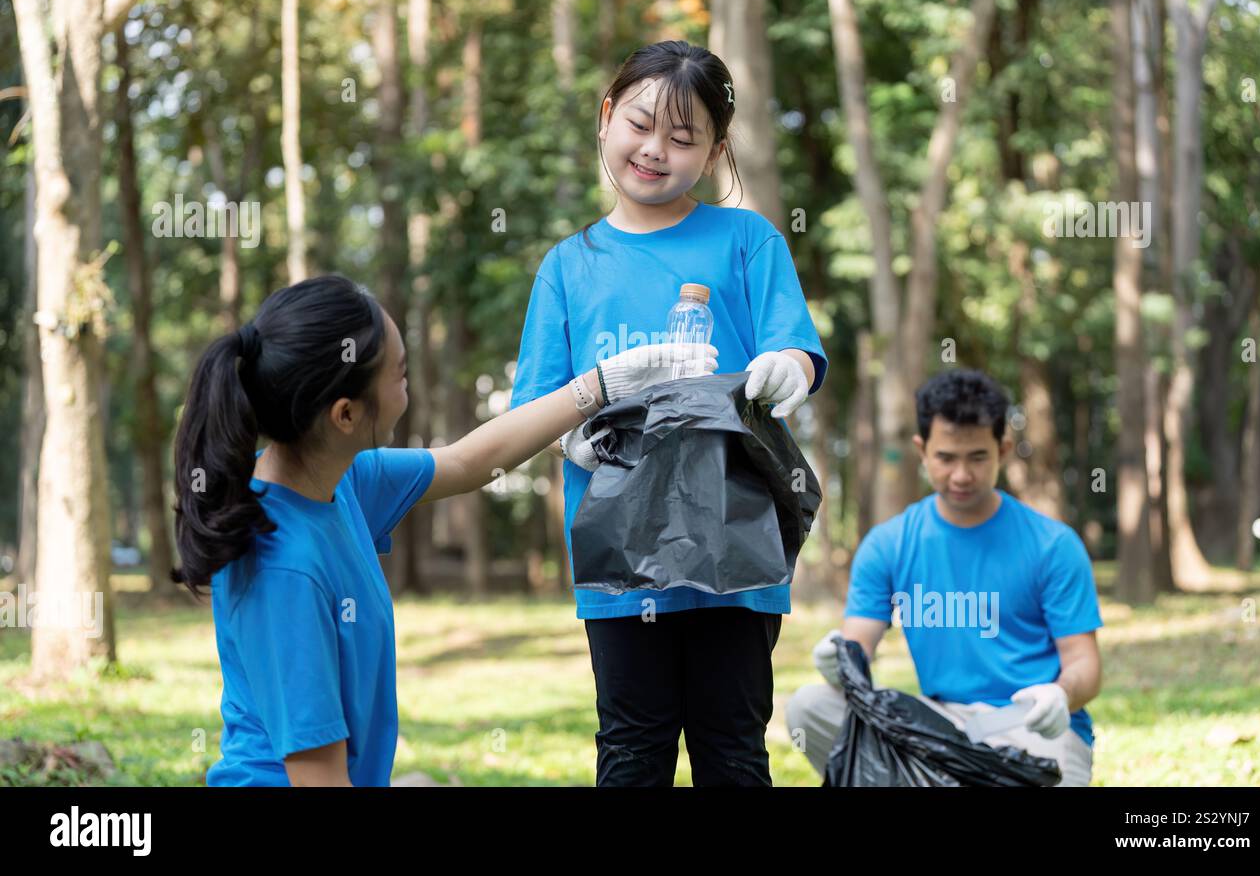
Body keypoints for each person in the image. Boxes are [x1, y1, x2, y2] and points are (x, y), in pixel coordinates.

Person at [172, 274, 715, 785]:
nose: (409, 378)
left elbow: (469, 462)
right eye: (400, 373)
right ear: (345, 415)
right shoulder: (285, 569)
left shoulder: (341, 480)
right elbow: (318, 777)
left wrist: (599, 386)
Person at [509, 40, 829, 786]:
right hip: (620, 555)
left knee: (732, 745)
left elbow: (798, 350)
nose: (655, 150)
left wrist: (791, 367)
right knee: (631, 747)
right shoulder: (568, 265)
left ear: (716, 150)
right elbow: (535, 405)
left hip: (736, 547)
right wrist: (573, 441)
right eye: (642, 124)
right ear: (606, 116)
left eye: (683, 139)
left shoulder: (748, 241)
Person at [785, 369, 1103, 786]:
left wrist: (1061, 695)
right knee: (810, 706)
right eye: (946, 458)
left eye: (977, 457)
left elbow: (1085, 663)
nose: (961, 475)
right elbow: (857, 645)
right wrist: (839, 658)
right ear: (922, 450)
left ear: (1003, 450)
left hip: (1030, 725)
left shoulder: (1052, 545)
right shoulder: (889, 544)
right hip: (941, 726)